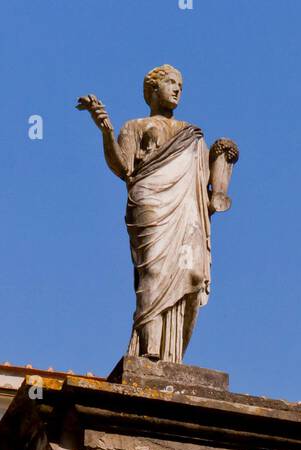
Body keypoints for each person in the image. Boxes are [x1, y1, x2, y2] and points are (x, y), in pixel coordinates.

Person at [78, 66, 238, 362]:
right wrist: (106, 130)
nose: (177, 89)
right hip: (150, 202)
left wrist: (222, 167)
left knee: (191, 274)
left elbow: (206, 187)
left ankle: (172, 356)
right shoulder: (134, 126)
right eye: (170, 83)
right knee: (153, 271)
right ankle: (148, 350)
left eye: (180, 85)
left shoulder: (193, 135)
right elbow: (123, 167)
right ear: (152, 90)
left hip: (187, 209)